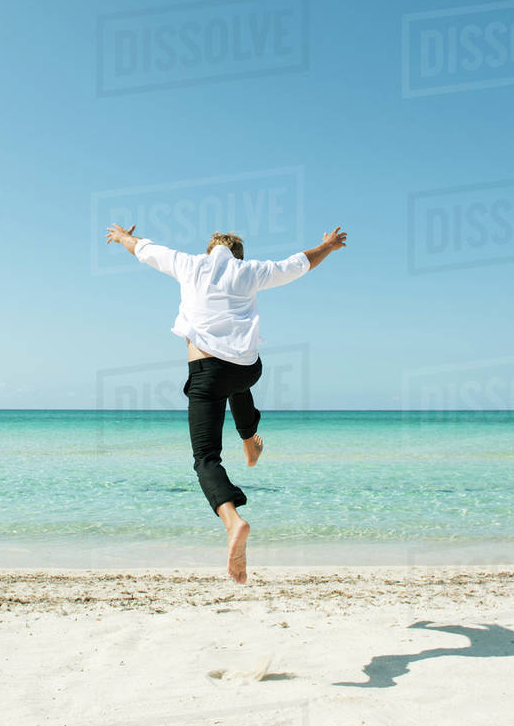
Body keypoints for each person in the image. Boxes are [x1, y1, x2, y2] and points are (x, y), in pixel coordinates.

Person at [104, 224, 348, 583]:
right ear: (239, 255)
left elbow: (145, 249)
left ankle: (233, 522)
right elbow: (297, 265)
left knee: (205, 459)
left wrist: (123, 236)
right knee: (237, 383)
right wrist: (326, 245)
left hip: (208, 375)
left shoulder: (190, 264)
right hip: (248, 371)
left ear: (209, 251)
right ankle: (250, 443)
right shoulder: (249, 272)